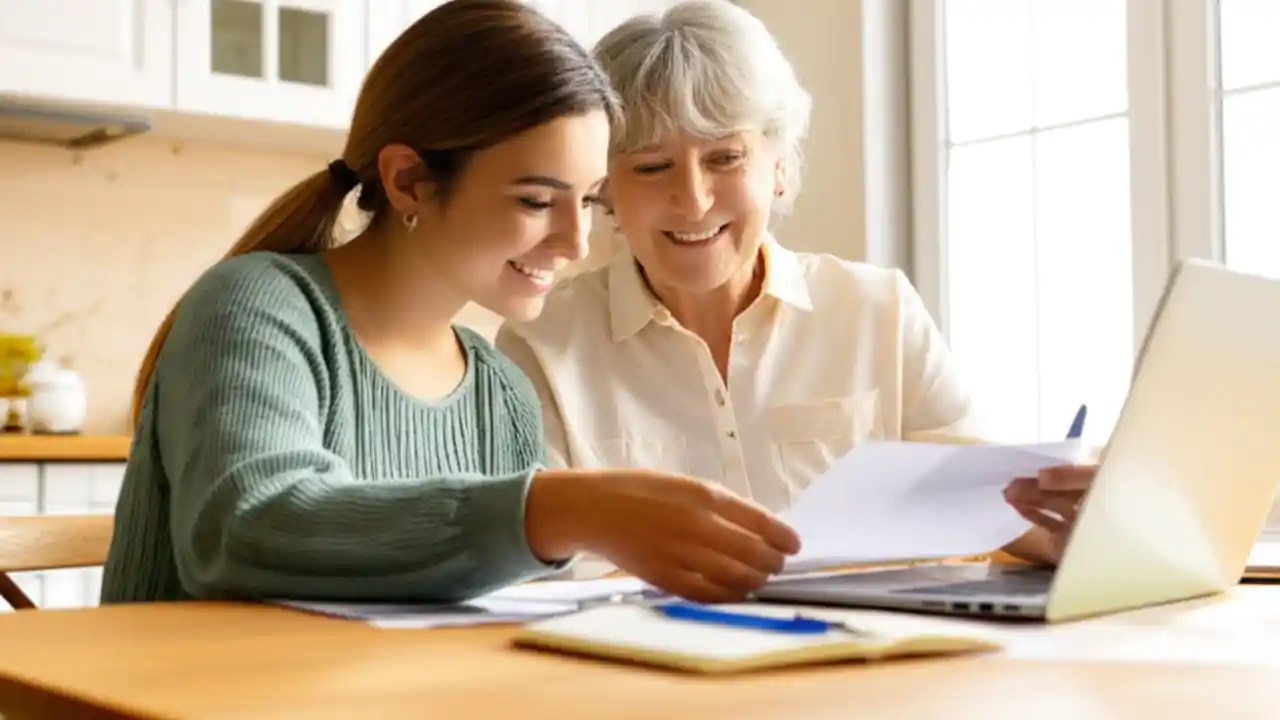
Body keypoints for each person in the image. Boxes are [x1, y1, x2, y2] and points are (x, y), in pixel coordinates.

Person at [101, 0, 799, 606]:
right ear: (408, 182)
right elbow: (244, 528)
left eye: (587, 201)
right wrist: (555, 508)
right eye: (535, 201)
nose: (575, 241)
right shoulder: (260, 309)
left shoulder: (499, 392)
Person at [496, 0, 1090, 572]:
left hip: (862, 658)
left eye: (725, 158)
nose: (694, 200)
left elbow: (991, 512)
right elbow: (530, 573)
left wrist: (1074, 527)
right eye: (652, 167)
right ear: (606, 188)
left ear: (778, 166)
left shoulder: (878, 311)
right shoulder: (543, 344)